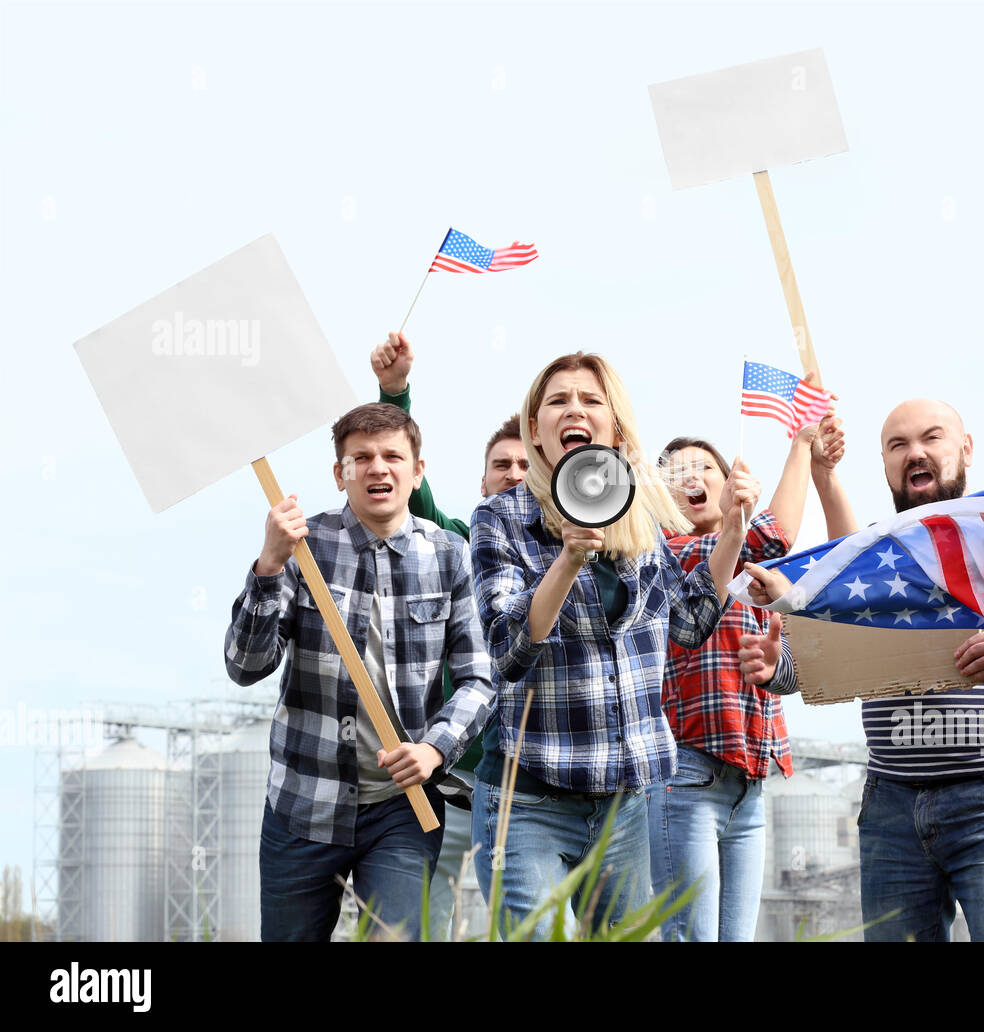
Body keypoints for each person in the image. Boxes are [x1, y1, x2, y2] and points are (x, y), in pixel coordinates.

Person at [468, 351, 758, 936]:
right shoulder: (500, 519)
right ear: (537, 433)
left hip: (624, 803)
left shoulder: (643, 519)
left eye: (590, 400)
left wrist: (731, 531)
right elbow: (507, 649)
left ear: (615, 427)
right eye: (557, 400)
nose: (574, 408)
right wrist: (569, 558)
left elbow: (688, 623)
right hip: (527, 801)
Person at [748, 398, 984, 942]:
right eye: (898, 444)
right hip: (892, 805)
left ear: (966, 448)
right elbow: (828, 647)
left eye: (932, 438)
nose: (916, 453)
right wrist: (777, 670)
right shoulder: (873, 570)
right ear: (884, 463)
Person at [224, 402, 494, 941]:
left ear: (418, 471)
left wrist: (435, 749)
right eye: (361, 458)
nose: (378, 468)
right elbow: (246, 666)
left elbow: (479, 679)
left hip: (401, 808)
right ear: (340, 473)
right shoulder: (304, 545)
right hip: (303, 804)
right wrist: (270, 565)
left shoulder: (449, 555)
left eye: (393, 456)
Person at [649, 416, 851, 941]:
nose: (690, 476)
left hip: (749, 780)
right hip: (685, 774)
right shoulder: (664, 557)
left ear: (727, 479)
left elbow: (796, 549)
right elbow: (774, 531)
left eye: (704, 467)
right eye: (675, 471)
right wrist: (801, 446)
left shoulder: (757, 567)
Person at [371, 330, 526, 939]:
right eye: (501, 466)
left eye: (525, 465)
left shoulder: (571, 561)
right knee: (421, 926)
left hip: (525, 789)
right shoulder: (456, 542)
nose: (513, 475)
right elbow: (412, 493)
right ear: (483, 481)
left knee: (521, 923)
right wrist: (395, 392)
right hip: (448, 777)